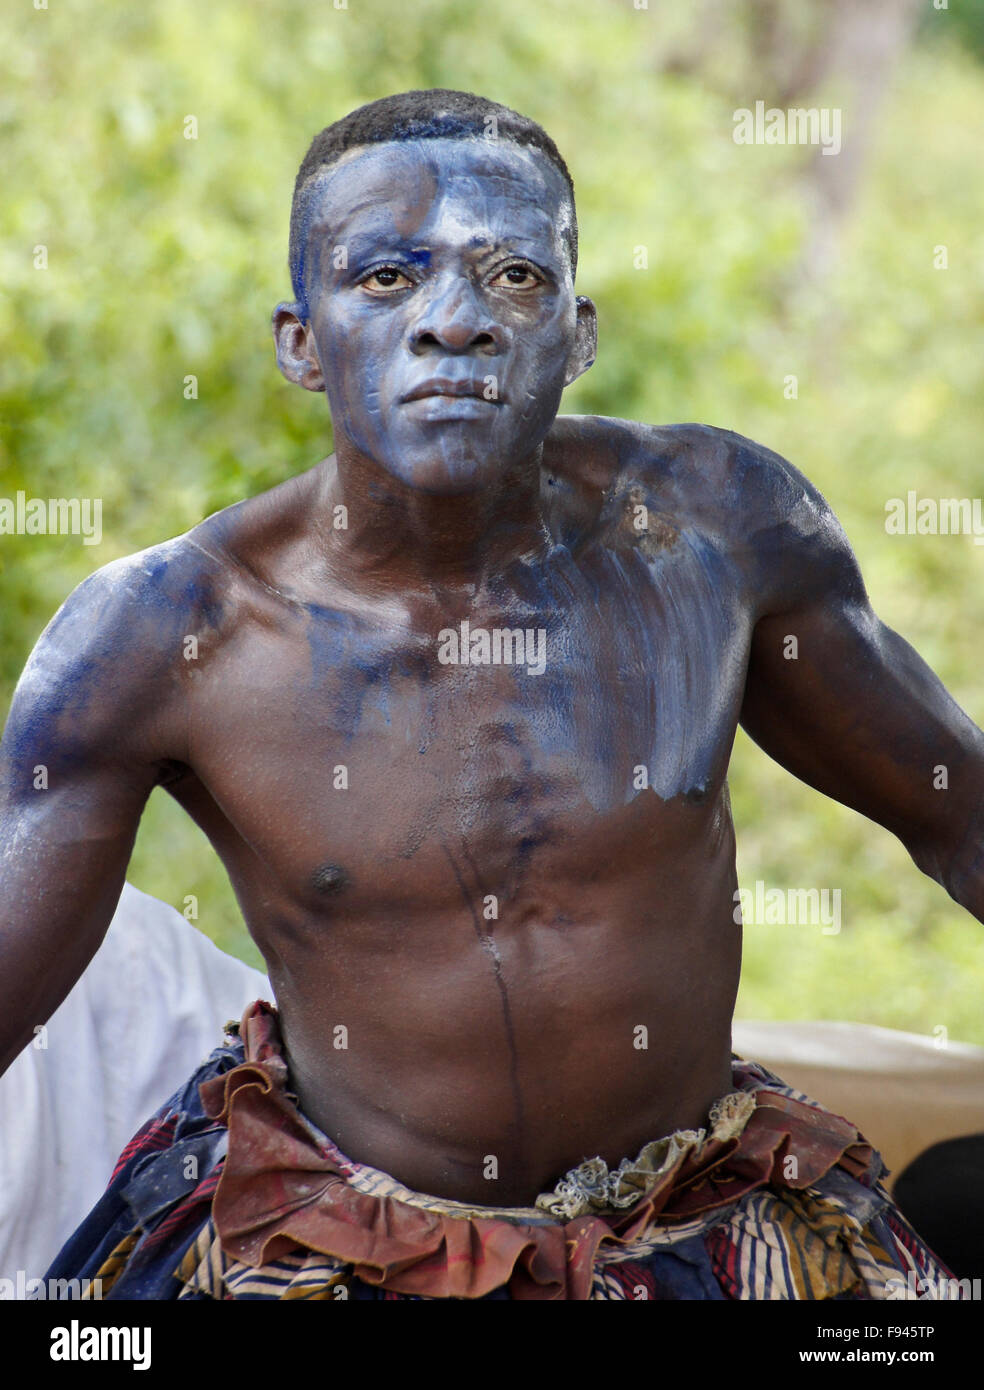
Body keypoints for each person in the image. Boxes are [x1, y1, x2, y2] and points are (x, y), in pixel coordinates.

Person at [1, 88, 980, 1300]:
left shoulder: (719, 535)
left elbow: (964, 819)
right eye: (386, 279)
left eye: (514, 276)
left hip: (704, 1218)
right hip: (325, 1243)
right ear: (300, 341)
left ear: (577, 331)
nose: (452, 324)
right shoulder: (163, 634)